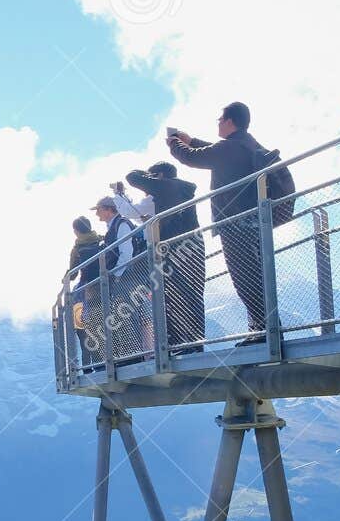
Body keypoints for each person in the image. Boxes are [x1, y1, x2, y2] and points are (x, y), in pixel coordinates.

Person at [168, 101, 270, 339]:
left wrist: (174, 143)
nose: (218, 123)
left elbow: (193, 158)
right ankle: (261, 330)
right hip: (252, 219)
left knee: (245, 279)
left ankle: (262, 332)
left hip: (235, 223)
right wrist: (190, 139)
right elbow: (212, 152)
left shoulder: (230, 148)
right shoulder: (245, 143)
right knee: (254, 276)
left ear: (229, 122)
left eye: (220, 119)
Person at [125, 161, 205, 352]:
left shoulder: (165, 186)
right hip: (192, 244)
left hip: (173, 246)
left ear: (159, 176)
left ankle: (181, 343)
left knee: (173, 294)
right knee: (189, 293)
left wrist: (147, 176)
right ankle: (192, 343)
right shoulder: (181, 189)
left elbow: (132, 176)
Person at [94, 195, 148, 358]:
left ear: (109, 209)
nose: (97, 214)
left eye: (99, 209)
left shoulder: (121, 224)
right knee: (127, 314)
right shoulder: (116, 225)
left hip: (128, 276)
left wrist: (116, 274)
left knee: (128, 315)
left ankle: (134, 354)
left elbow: (127, 252)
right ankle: (134, 353)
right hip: (128, 275)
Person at [67, 217, 105, 366]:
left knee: (81, 327)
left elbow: (73, 274)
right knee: (101, 326)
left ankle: (87, 365)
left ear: (76, 231)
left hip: (85, 289)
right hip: (103, 285)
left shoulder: (77, 248)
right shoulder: (101, 241)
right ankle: (102, 362)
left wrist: (65, 277)